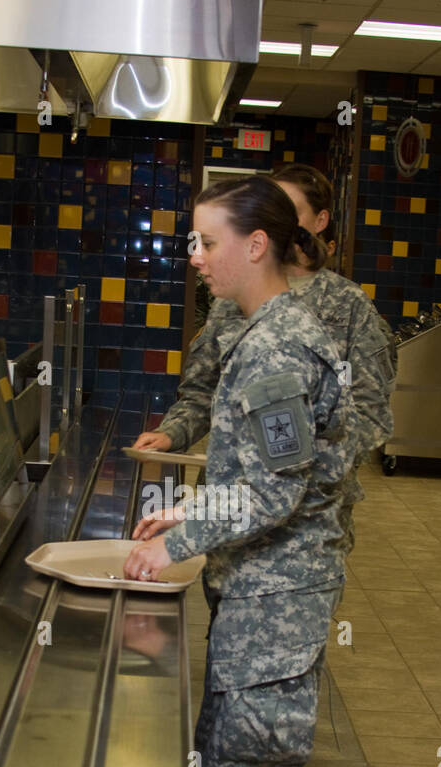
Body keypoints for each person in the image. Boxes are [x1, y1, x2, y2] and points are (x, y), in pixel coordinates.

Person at [123, 175, 357, 767]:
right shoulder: (269, 328)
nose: (195, 259)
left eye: (207, 242)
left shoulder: (276, 346)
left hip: (278, 591)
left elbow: (273, 491)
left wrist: (179, 541)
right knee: (228, 746)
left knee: (253, 757)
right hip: (260, 581)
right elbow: (259, 468)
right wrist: (184, 507)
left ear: (256, 245)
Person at [132, 163, 396, 566]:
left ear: (319, 221)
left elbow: (367, 418)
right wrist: (174, 434)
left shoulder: (342, 309)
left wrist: (303, 468)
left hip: (288, 538)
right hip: (231, 516)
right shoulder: (232, 300)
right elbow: (204, 390)